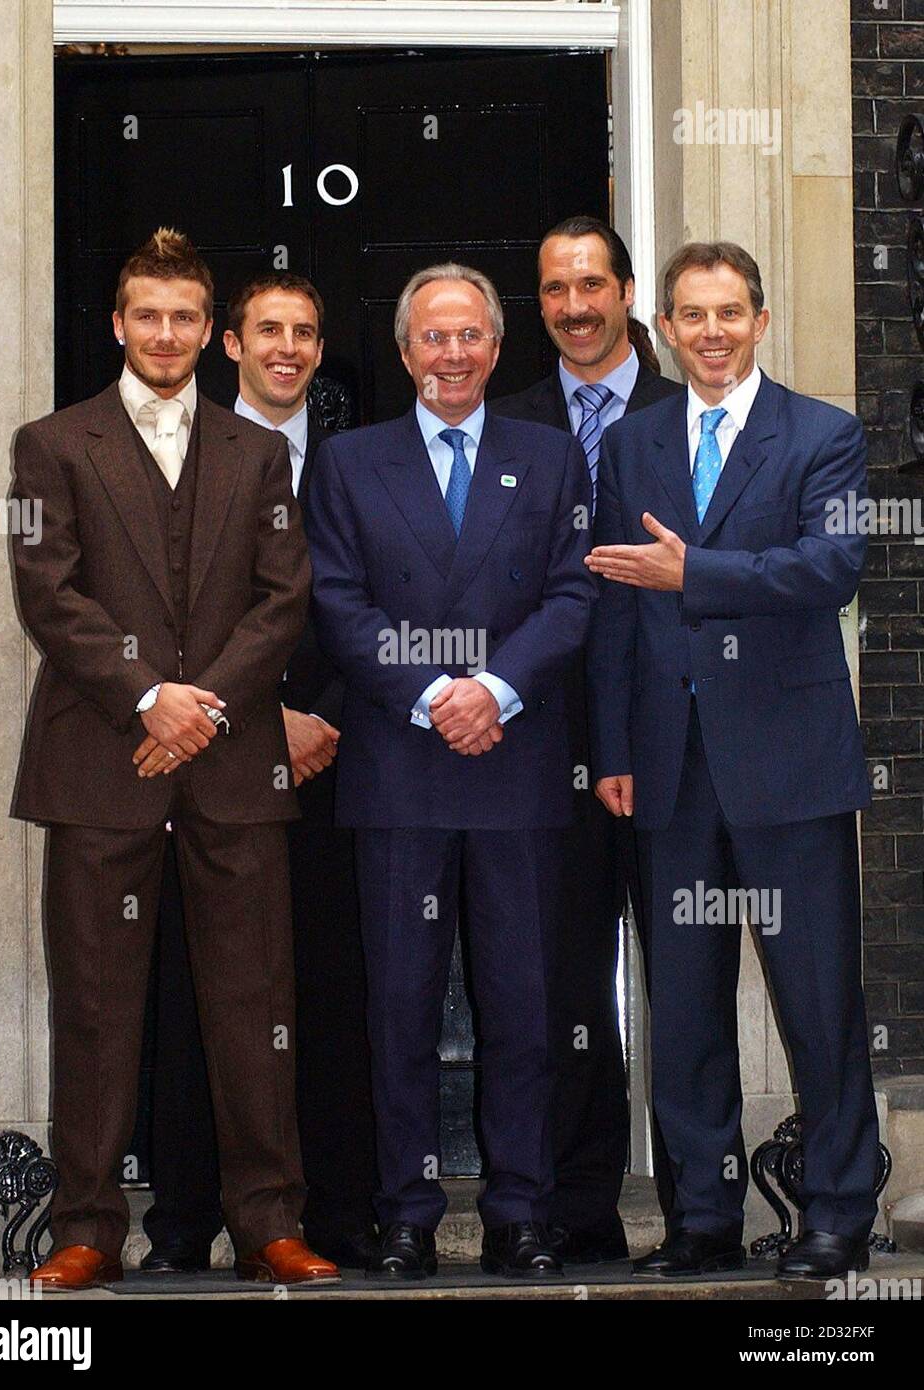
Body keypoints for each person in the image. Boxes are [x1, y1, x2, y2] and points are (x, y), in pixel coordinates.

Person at [11, 227, 337, 1289]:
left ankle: (270, 1223)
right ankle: (86, 1229)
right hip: (102, 762)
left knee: (255, 1006)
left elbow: (283, 598)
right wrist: (150, 700)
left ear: (210, 332)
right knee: (95, 1008)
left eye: (184, 317)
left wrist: (204, 710)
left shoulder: (259, 453)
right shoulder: (50, 444)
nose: (165, 333)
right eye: (147, 315)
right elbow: (48, 593)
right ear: (118, 324)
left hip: (234, 767)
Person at [587, 240, 880, 1281]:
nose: (711, 333)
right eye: (691, 315)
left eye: (729, 313)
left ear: (760, 320)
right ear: (664, 328)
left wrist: (695, 573)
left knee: (818, 1004)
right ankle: (702, 1217)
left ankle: (837, 1214)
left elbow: (832, 565)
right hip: (668, 771)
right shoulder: (632, 442)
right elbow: (615, 604)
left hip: (790, 770)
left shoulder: (824, 435)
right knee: (686, 1008)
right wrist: (612, 747)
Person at [308, 262, 592, 1279]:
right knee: (401, 1007)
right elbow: (336, 601)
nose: (454, 353)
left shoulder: (551, 457)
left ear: (497, 347)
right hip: (401, 767)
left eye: (471, 335)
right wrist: (436, 693)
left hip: (515, 763)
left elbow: (573, 593)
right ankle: (407, 1214)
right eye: (435, 336)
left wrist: (495, 690)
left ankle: (520, 1213)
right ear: (404, 351)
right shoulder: (349, 463)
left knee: (523, 1006)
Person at [141, 272, 379, 1273]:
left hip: (333, 757)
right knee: (197, 988)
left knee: (325, 985)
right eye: (268, 330)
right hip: (210, 755)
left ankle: (337, 1216)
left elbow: (390, 598)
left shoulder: (362, 459)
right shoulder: (175, 450)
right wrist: (254, 720)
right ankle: (184, 1222)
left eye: (306, 332)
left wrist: (326, 716)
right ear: (229, 344)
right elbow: (159, 608)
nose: (288, 347)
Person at [492, 214, 681, 1260]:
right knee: (565, 989)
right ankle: (580, 1209)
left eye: (591, 285)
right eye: (556, 289)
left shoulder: (686, 412)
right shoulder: (505, 421)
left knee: (683, 978)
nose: (574, 306)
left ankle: (700, 1214)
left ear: (626, 291)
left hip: (673, 745)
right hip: (542, 749)